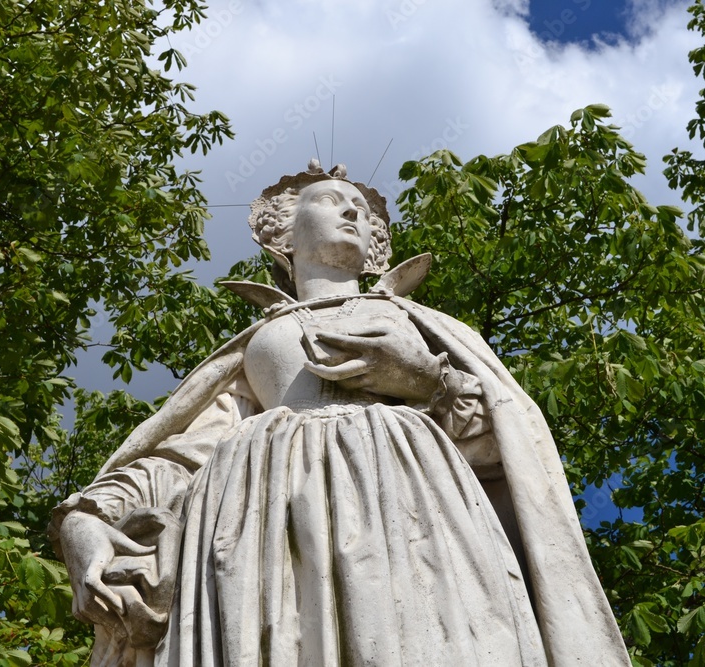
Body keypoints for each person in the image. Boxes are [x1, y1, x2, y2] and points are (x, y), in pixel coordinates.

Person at [50, 161, 631, 666]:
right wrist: (87, 521)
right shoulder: (259, 343)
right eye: (331, 201)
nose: (351, 212)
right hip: (264, 524)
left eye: (361, 209)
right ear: (283, 233)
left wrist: (427, 379)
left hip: (413, 518)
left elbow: (502, 446)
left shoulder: (427, 328)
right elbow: (182, 457)